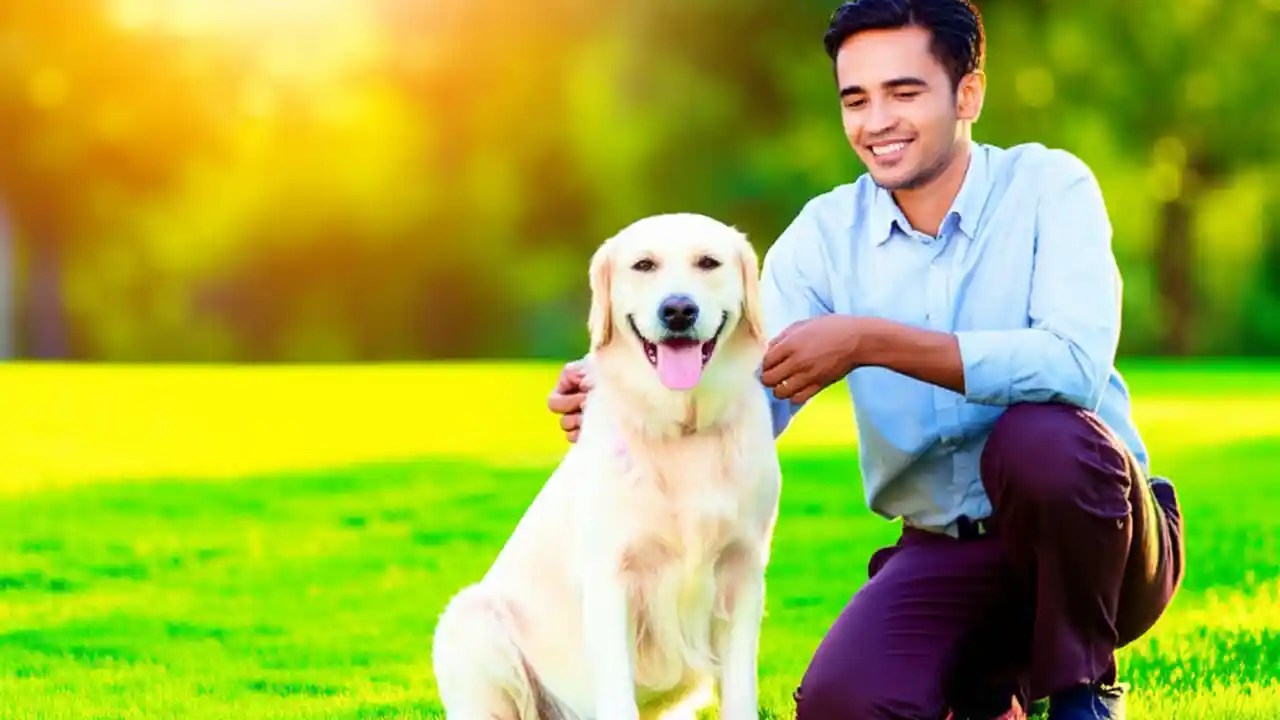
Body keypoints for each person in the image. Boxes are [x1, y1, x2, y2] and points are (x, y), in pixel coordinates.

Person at [547, 1, 1185, 718]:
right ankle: (986, 688)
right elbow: (745, 382)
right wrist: (620, 393)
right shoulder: (824, 237)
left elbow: (1073, 364)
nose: (876, 121)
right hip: (947, 552)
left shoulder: (1049, 189)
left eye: (904, 92)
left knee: (1043, 439)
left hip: (1104, 542)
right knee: (841, 702)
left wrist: (868, 341)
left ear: (967, 93)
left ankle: (1081, 690)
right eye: (856, 99)